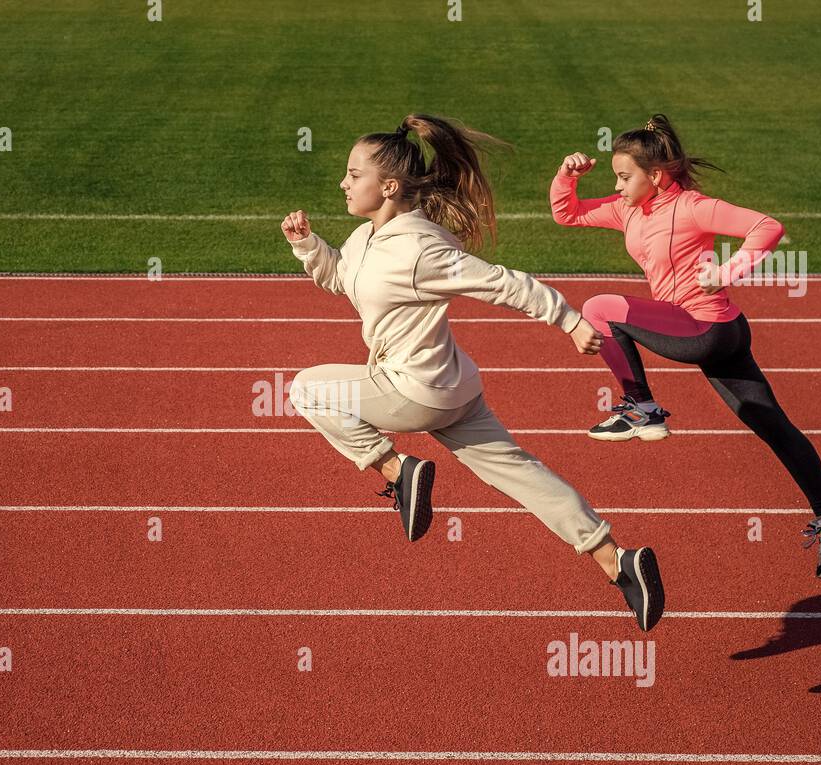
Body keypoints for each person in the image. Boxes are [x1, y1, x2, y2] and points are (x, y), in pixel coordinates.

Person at [281, 113, 665, 631]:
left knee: (305, 389)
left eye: (353, 174)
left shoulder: (420, 249)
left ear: (389, 186)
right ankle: (618, 562)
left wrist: (569, 320)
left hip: (415, 390)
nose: (342, 183)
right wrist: (309, 246)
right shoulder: (365, 239)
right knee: (523, 475)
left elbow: (504, 283)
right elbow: (344, 279)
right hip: (452, 388)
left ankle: (400, 473)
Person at [550, 113, 821, 579]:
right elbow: (567, 213)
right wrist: (567, 175)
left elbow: (767, 226)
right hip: (719, 332)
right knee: (770, 424)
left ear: (655, 176)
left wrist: (726, 271)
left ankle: (642, 408)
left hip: (704, 330)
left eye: (624, 176)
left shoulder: (694, 207)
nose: (617, 186)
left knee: (599, 307)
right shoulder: (629, 210)